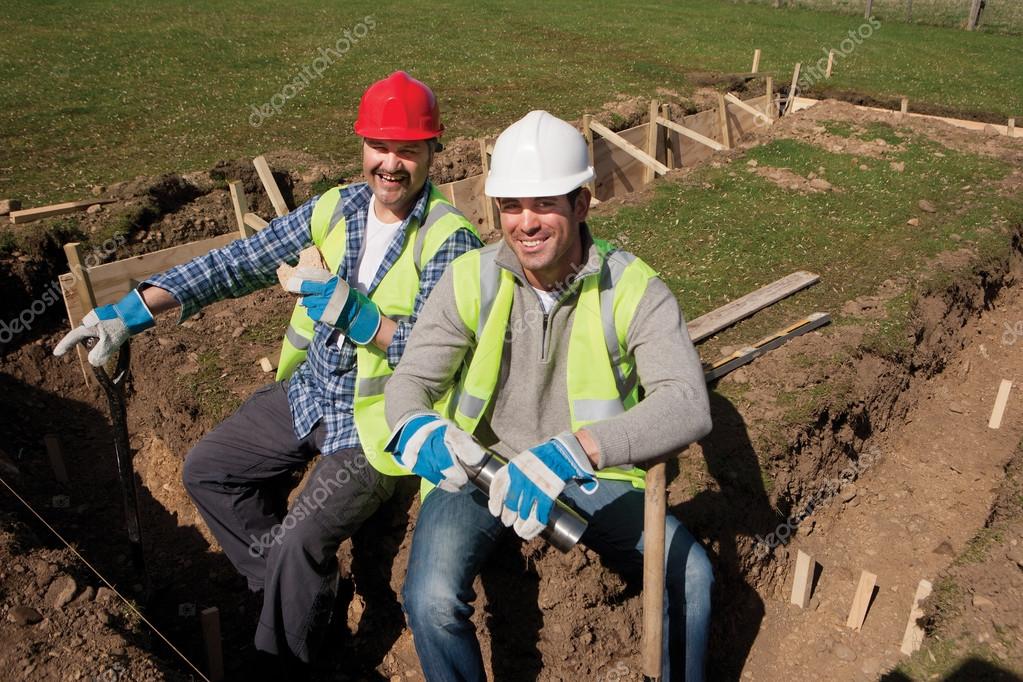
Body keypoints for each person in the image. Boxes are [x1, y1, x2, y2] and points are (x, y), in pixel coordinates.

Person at [54, 71, 483, 677]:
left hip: (379, 424)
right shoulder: (338, 207)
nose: (390, 164)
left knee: (299, 540)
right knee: (208, 470)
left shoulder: (448, 239)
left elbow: (441, 355)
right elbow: (239, 262)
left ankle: (286, 654)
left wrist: (362, 320)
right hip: (311, 391)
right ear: (362, 145)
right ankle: (304, 590)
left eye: (407, 150)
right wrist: (131, 312)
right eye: (379, 146)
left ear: (433, 150)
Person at [384, 110, 715, 682]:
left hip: (591, 474)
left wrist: (575, 451)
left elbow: (686, 402)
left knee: (692, 576)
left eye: (544, 204)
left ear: (581, 204)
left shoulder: (632, 288)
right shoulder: (470, 278)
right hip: (484, 469)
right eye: (512, 206)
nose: (526, 222)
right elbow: (410, 381)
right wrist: (418, 425)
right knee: (430, 600)